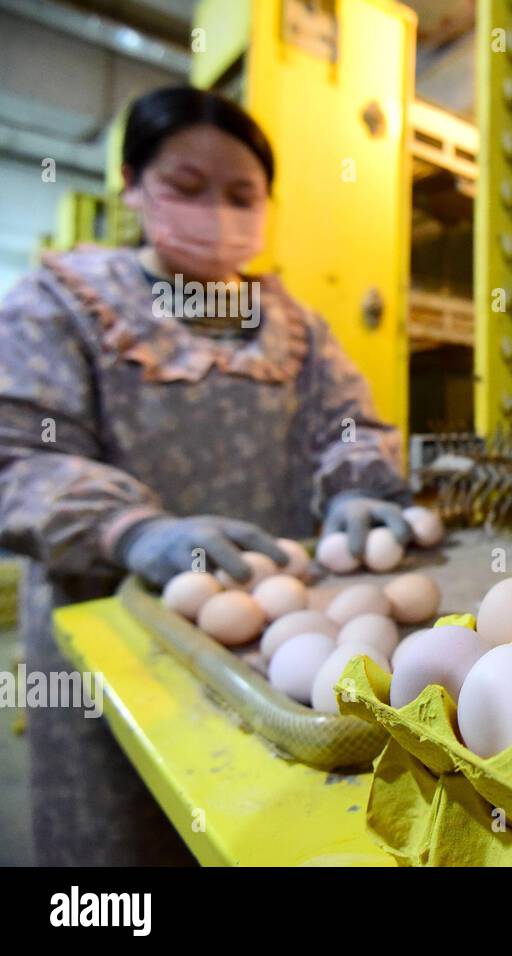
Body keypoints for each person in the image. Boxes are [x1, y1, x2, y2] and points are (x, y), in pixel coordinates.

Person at [0, 86, 411, 864]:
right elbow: (15, 453)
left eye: (241, 195)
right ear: (131, 183)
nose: (217, 213)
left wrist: (359, 480)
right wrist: (134, 531)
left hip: (268, 650)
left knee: (258, 833)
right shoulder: (64, 303)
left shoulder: (291, 323)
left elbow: (348, 423)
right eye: (187, 189)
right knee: (122, 857)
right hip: (120, 642)